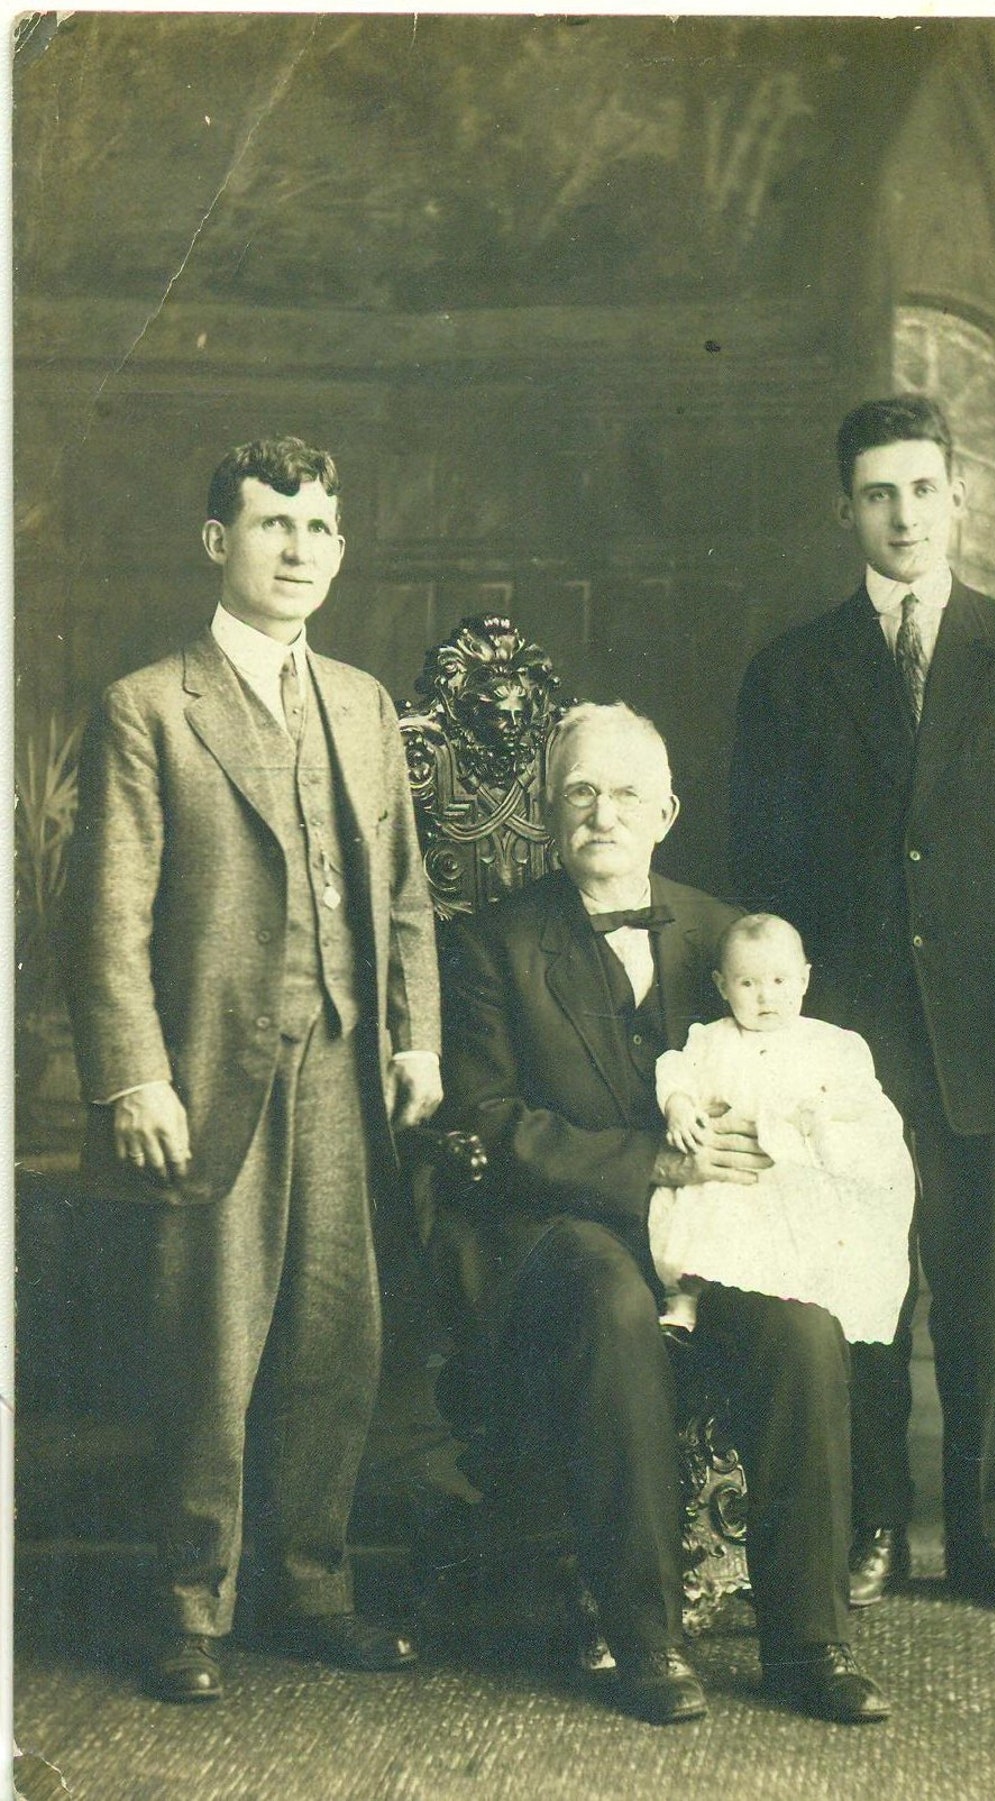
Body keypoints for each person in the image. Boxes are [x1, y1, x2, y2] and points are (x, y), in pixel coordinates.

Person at [64, 437, 443, 1702]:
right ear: (216, 541)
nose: (300, 548)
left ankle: (310, 1582)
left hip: (345, 1065)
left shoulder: (364, 701)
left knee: (338, 1332)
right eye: (275, 523)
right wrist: (135, 1077)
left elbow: (404, 898)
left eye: (321, 526)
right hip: (213, 1071)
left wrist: (416, 1036)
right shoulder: (148, 706)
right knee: (208, 1343)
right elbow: (106, 918)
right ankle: (189, 1603)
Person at [437, 700, 890, 1726]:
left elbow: (793, 1064)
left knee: (803, 1319)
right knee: (609, 1299)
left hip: (721, 1230)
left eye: (628, 792)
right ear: (552, 813)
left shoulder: (724, 931)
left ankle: (807, 1640)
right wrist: (652, 1169)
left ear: (668, 811)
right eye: (581, 792)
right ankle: (648, 1639)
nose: (604, 812)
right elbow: (490, 1122)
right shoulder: (492, 944)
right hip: (565, 1227)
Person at [729, 394, 995, 1615]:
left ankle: (979, 1540)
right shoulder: (793, 671)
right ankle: (876, 1527)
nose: (903, 515)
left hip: (988, 1034)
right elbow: (762, 873)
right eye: (878, 493)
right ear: (845, 511)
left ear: (958, 498)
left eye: (924, 488)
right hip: (851, 1051)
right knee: (867, 1292)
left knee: (981, 1300)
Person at [651, 912, 914, 1345]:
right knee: (702, 1228)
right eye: (747, 984)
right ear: (722, 986)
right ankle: (685, 1303)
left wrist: (818, 1119)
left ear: (805, 979)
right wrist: (679, 1105)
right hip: (731, 1181)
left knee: (810, 1254)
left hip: (795, 1178)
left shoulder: (832, 1045)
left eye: (779, 981)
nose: (765, 997)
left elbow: (861, 1106)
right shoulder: (711, 1040)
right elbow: (677, 1071)